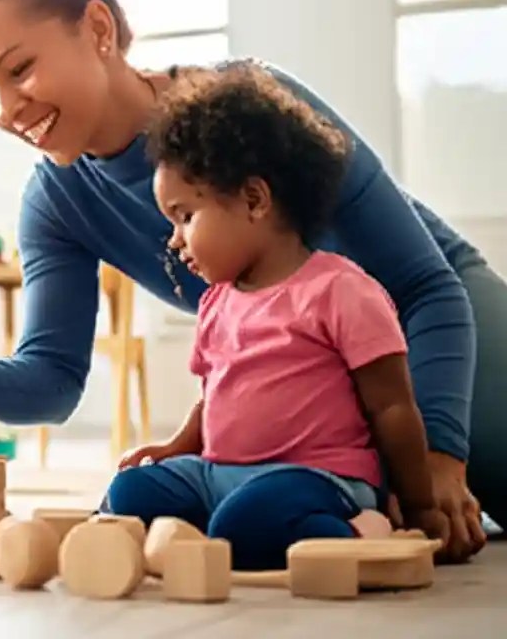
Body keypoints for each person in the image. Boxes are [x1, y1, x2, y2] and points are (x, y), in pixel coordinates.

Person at [0, 0, 500, 564]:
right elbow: (53, 379)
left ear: (98, 29)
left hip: (439, 340)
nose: (6, 111)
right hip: (318, 395)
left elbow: (427, 287)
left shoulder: (248, 102)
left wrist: (442, 455)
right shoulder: (57, 201)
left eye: (20, 70)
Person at [102, 64, 445, 569]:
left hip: (315, 477)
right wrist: (178, 446)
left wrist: (420, 507)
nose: (174, 240)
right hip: (221, 474)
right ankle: (216, 532)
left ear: (254, 200)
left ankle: (358, 532)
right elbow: (214, 397)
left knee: (248, 522)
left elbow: (393, 407)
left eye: (185, 216)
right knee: (131, 490)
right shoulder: (217, 301)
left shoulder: (341, 290)